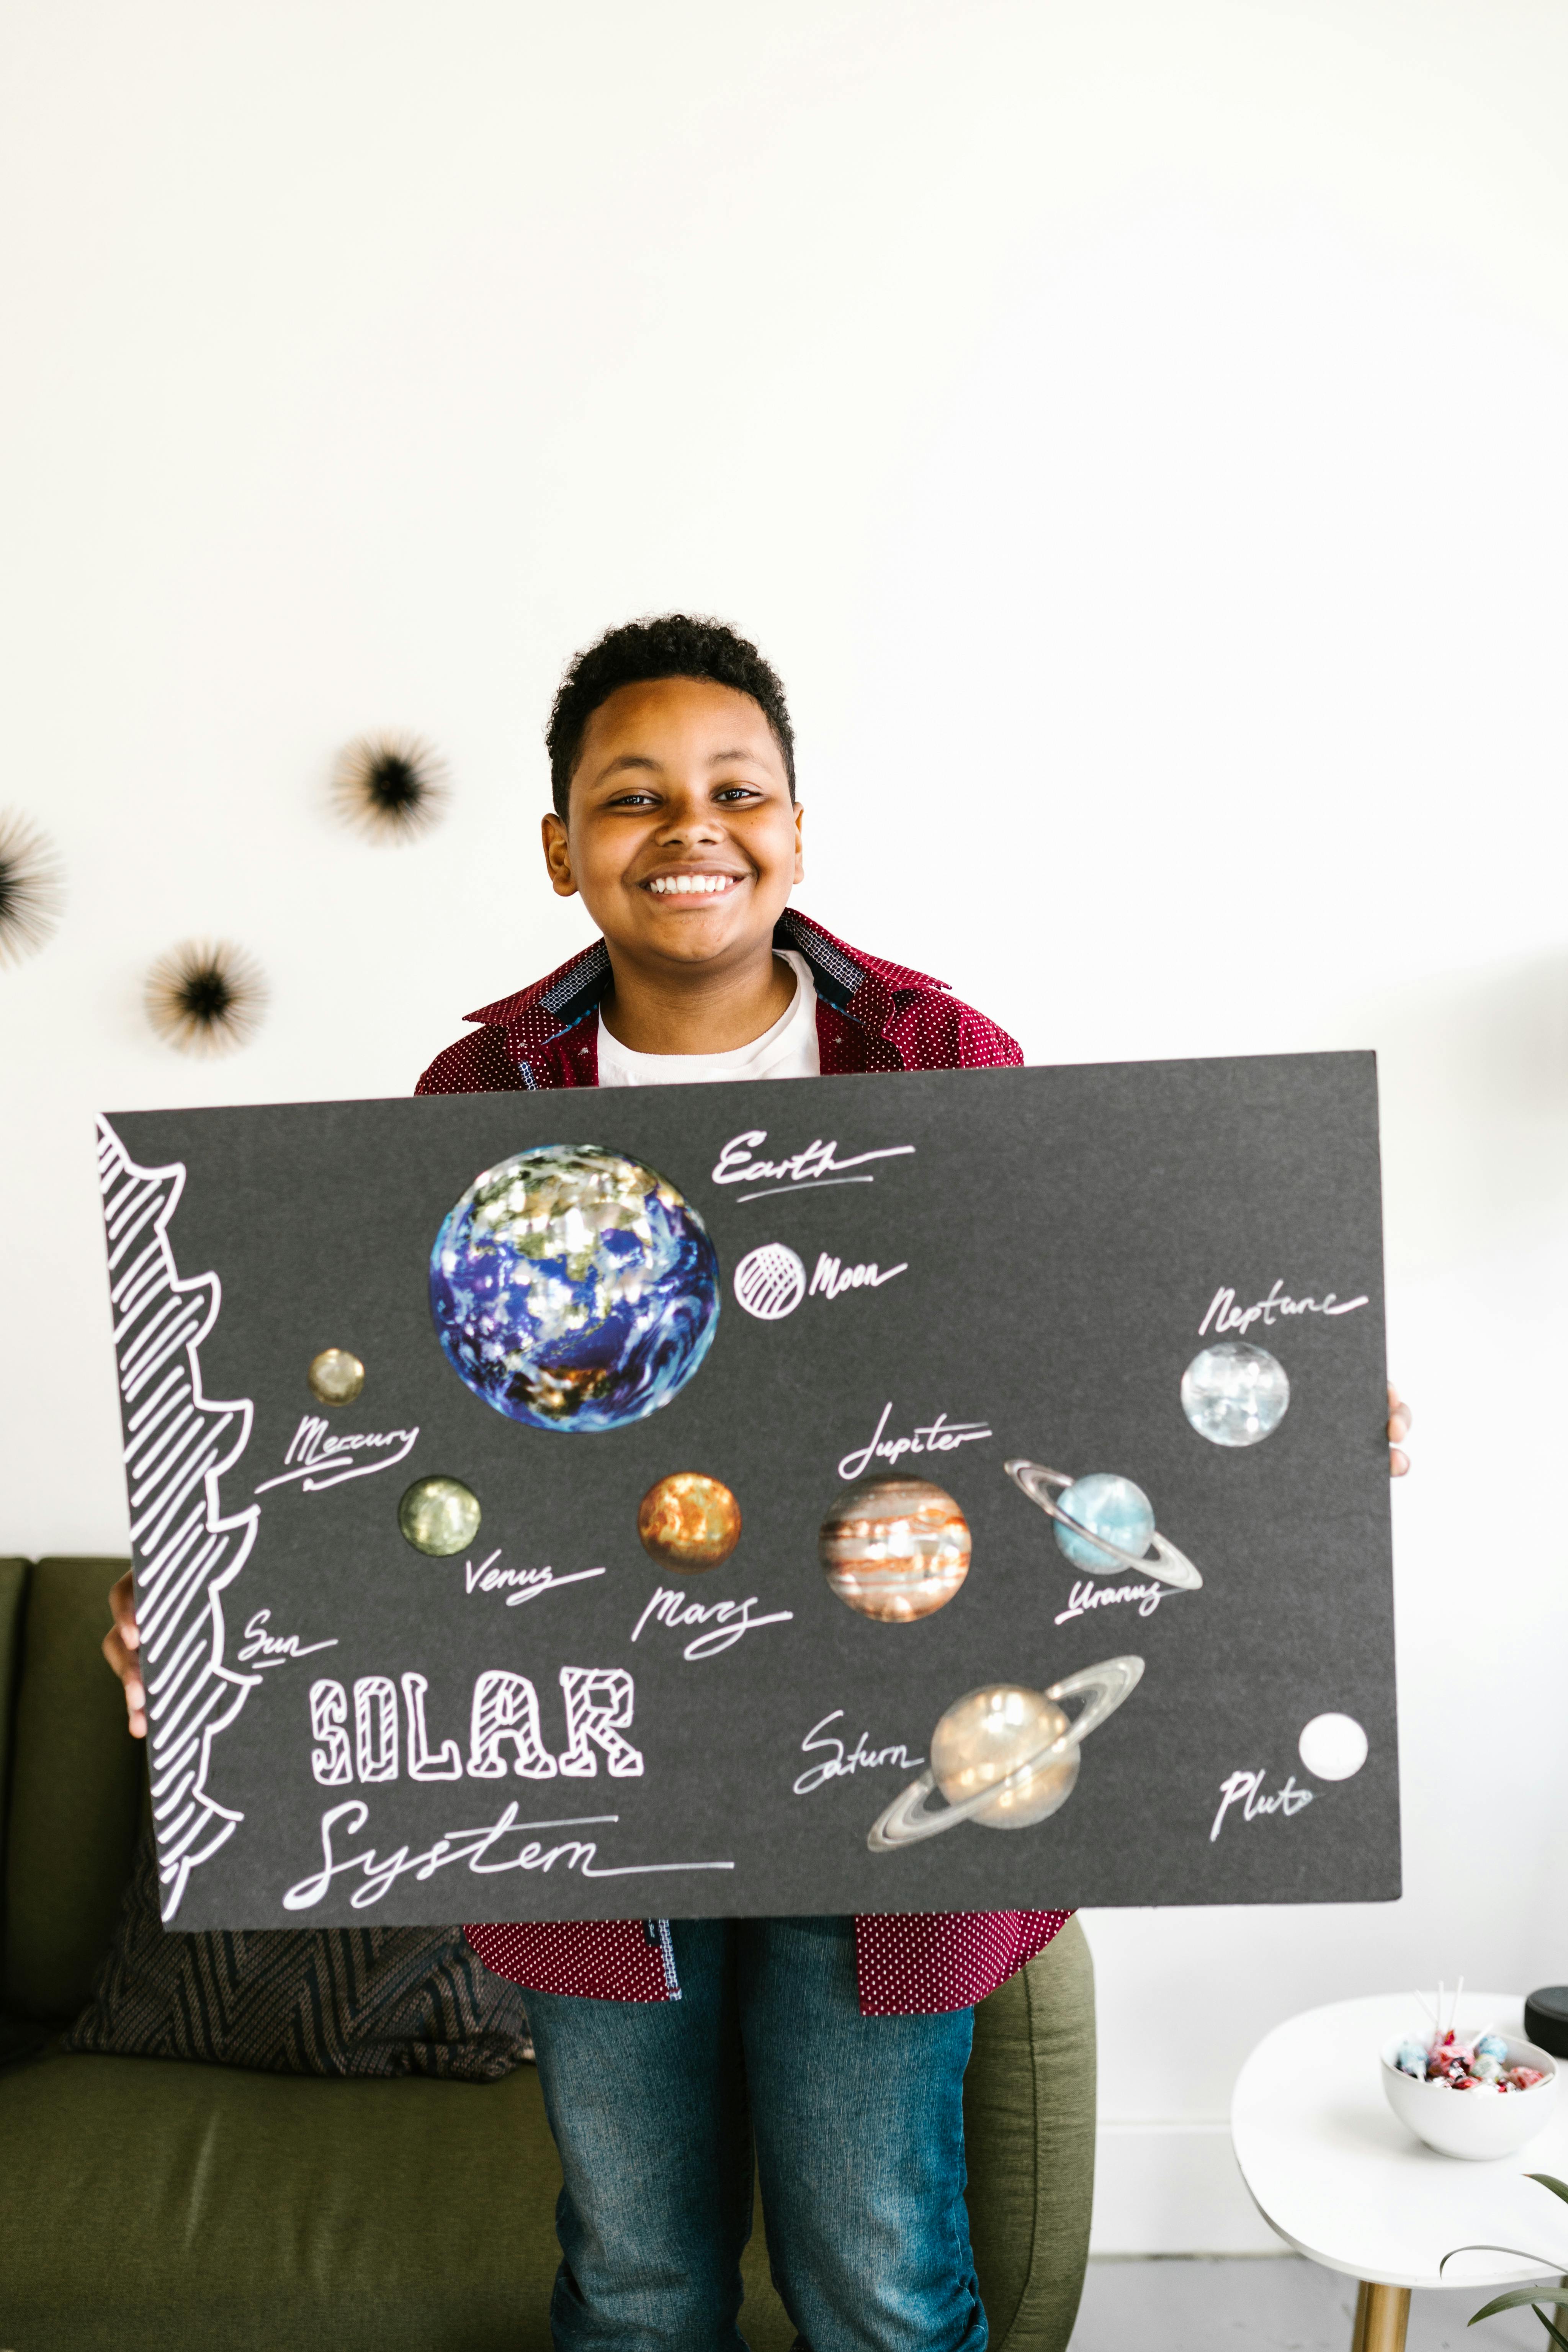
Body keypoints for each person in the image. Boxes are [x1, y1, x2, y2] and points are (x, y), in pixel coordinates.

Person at [104, 615, 1414, 2352]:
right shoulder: (475, 1092)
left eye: (736, 789)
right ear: (561, 848)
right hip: (596, 1790)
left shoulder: (938, 1055)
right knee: (638, 2280)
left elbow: (1069, 1350)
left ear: (798, 826)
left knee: (876, 2278)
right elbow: (398, 1431)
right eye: (630, 796)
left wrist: (1295, 1415)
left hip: (892, 1761)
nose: (689, 828)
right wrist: (206, 1582)